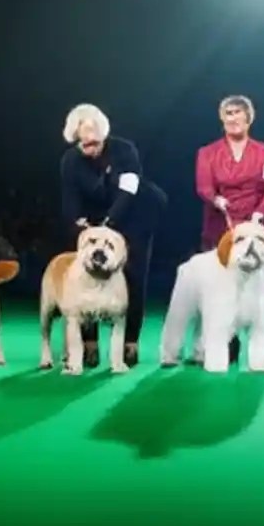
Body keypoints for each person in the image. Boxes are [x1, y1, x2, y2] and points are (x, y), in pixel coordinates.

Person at [60, 103, 166, 368]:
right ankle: (89, 344)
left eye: (95, 143)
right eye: (84, 144)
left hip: (135, 213)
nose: (90, 149)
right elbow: (70, 199)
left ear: (104, 137)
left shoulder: (124, 151)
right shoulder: (70, 161)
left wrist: (110, 224)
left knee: (132, 276)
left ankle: (130, 343)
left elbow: (128, 191)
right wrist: (80, 226)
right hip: (95, 215)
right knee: (85, 275)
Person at [195, 94, 264, 365]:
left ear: (249, 118)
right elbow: (203, 186)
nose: (233, 118)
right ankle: (224, 347)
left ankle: (263, 350)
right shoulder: (207, 152)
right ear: (222, 119)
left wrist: (260, 213)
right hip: (221, 224)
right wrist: (216, 199)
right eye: (228, 113)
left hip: (257, 224)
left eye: (238, 113)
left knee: (263, 288)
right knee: (220, 289)